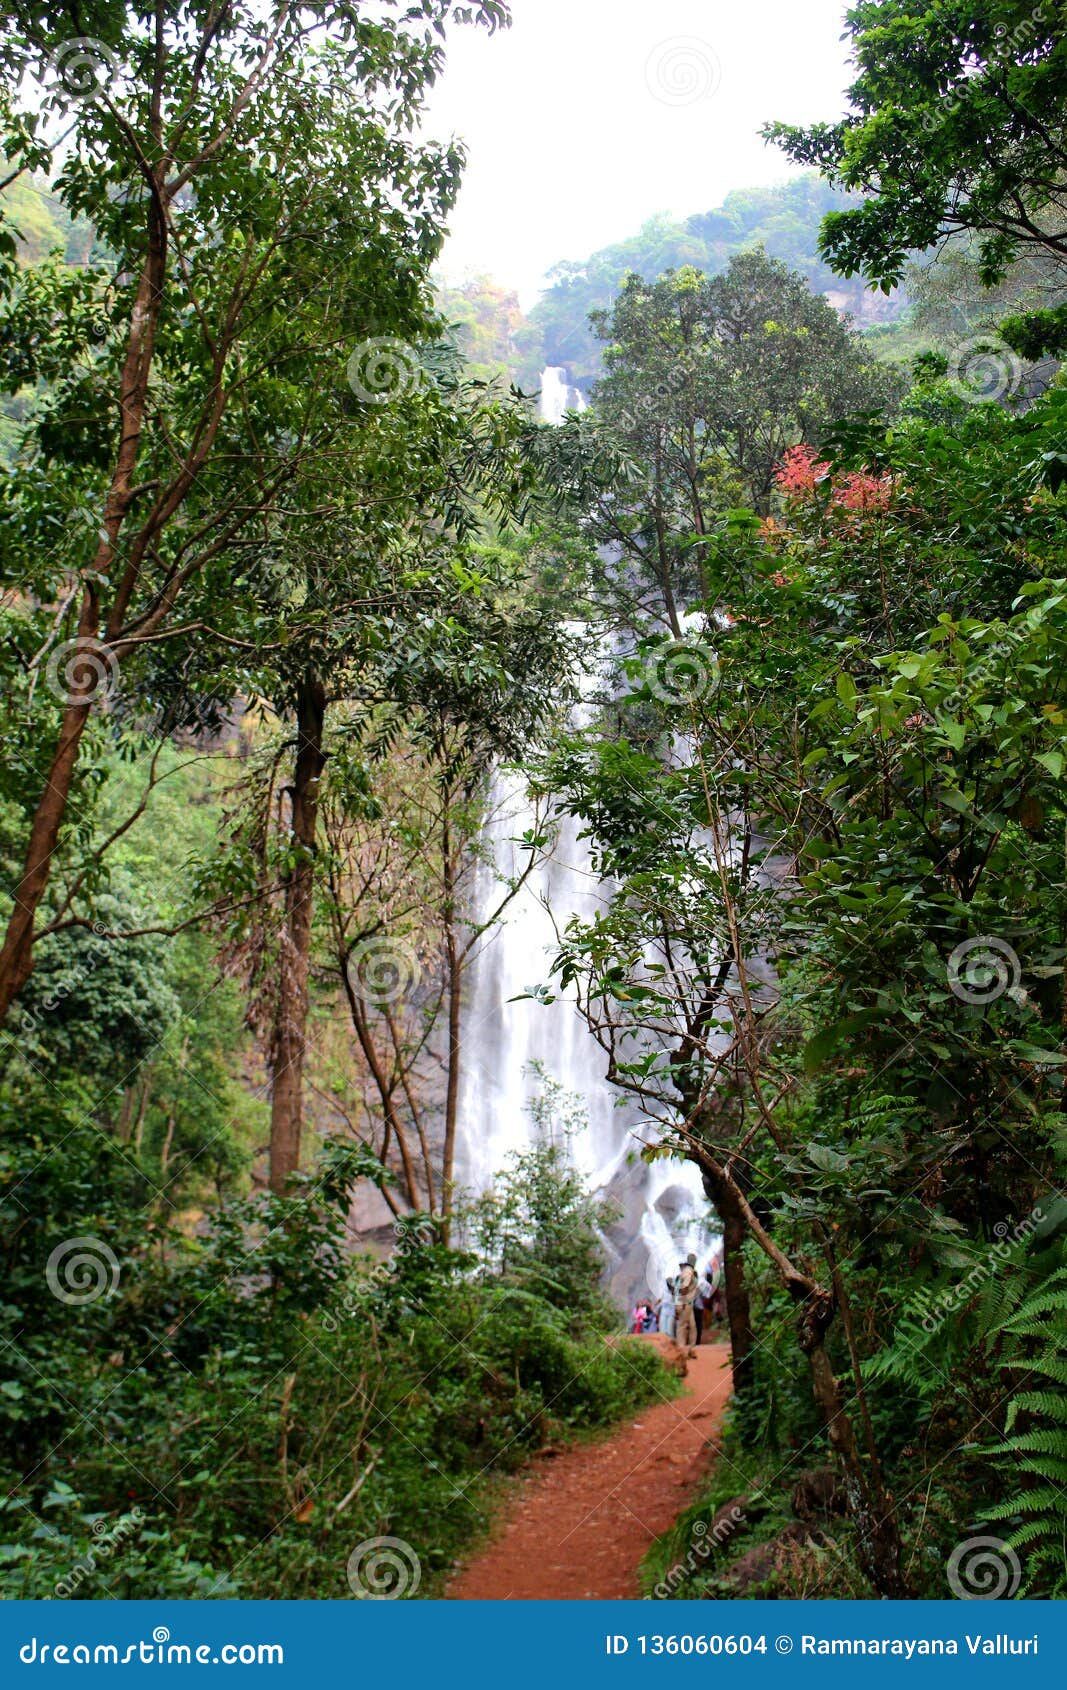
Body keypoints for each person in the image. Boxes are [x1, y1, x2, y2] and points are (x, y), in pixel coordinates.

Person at [674, 1254, 698, 1355]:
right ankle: (682, 1350)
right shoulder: (688, 1271)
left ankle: (691, 1349)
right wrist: (683, 1302)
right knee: (682, 1326)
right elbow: (685, 1287)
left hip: (688, 1303)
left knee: (692, 1326)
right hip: (685, 1303)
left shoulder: (684, 1273)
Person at [658, 1276, 676, 1340]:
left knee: (668, 1329)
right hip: (667, 1311)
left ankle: (669, 1344)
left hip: (669, 1311)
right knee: (665, 1328)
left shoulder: (673, 1291)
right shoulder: (665, 1290)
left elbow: (660, 1299)